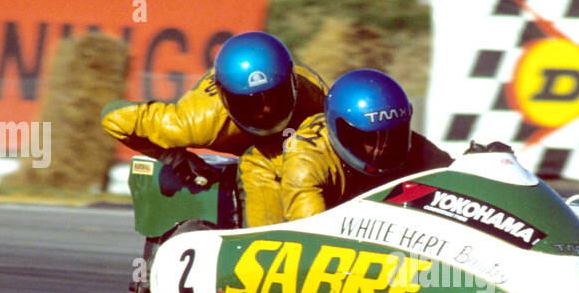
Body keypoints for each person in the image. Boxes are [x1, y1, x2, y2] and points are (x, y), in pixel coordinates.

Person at [101, 31, 327, 227]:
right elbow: (113, 116)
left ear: (293, 85)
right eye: (250, 103)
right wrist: (173, 157)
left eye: (275, 96)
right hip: (245, 155)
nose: (266, 109)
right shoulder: (195, 120)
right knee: (257, 173)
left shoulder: (317, 100)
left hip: (297, 138)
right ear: (226, 100)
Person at [279, 68, 451, 221]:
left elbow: (454, 173)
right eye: (370, 138)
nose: (384, 146)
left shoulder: (414, 147)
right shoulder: (306, 165)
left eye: (394, 134)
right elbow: (310, 236)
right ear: (343, 132)